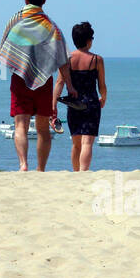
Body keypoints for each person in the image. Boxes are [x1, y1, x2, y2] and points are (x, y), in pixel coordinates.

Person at [0, 0, 76, 171]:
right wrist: (70, 86)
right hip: (44, 81)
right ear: (44, 1)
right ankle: (40, 168)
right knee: (43, 129)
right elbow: (62, 58)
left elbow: (3, 48)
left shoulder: (15, 20)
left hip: (19, 78)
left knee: (20, 125)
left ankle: (23, 164)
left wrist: (16, 64)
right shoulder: (51, 26)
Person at [55, 21, 106, 171]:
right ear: (89, 40)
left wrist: (54, 104)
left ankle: (76, 173)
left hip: (73, 103)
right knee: (87, 143)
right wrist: (103, 97)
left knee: (76, 143)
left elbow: (59, 82)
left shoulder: (67, 59)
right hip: (91, 103)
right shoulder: (97, 60)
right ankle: (84, 173)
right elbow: (101, 84)